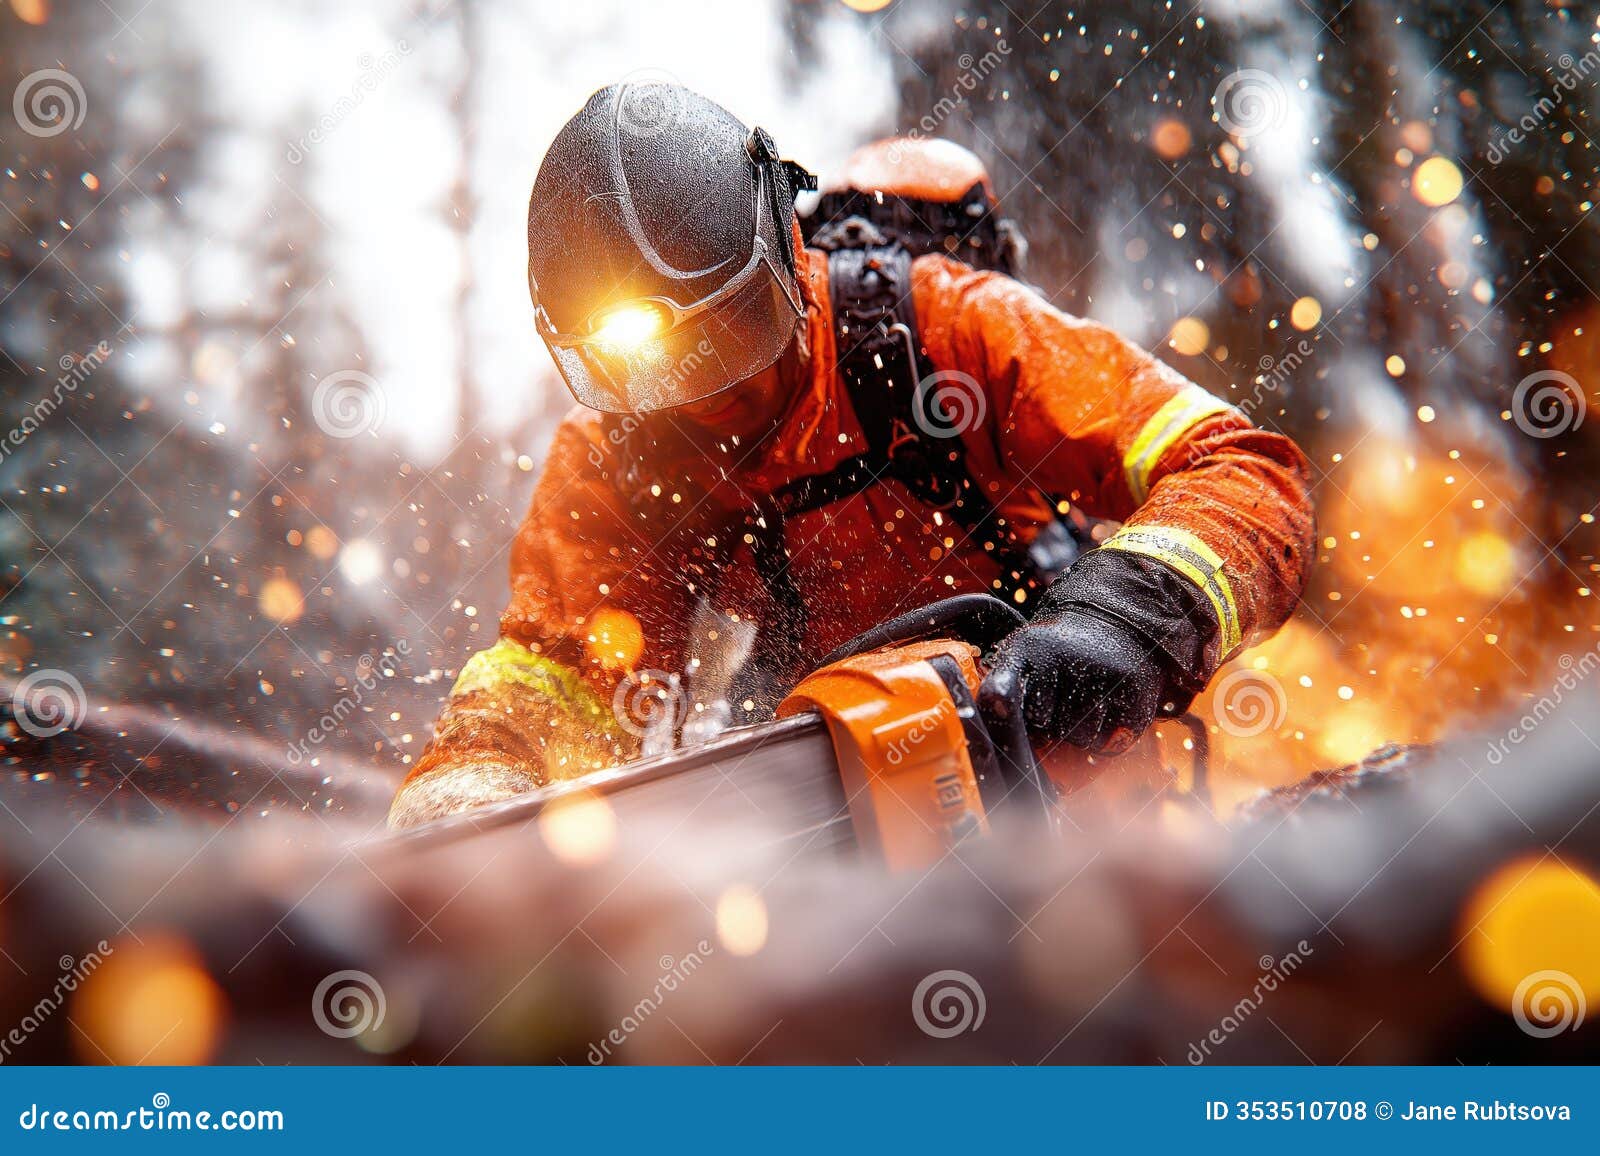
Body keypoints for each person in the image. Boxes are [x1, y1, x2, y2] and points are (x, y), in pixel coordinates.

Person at [386, 82, 1314, 829]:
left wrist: (1125, 626)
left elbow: (1243, 468)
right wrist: (475, 786)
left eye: (733, 329)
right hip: (814, 770)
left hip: (1054, 745)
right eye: (649, 368)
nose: (707, 392)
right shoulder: (621, 455)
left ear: (789, 247)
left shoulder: (945, 330)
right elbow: (562, 666)